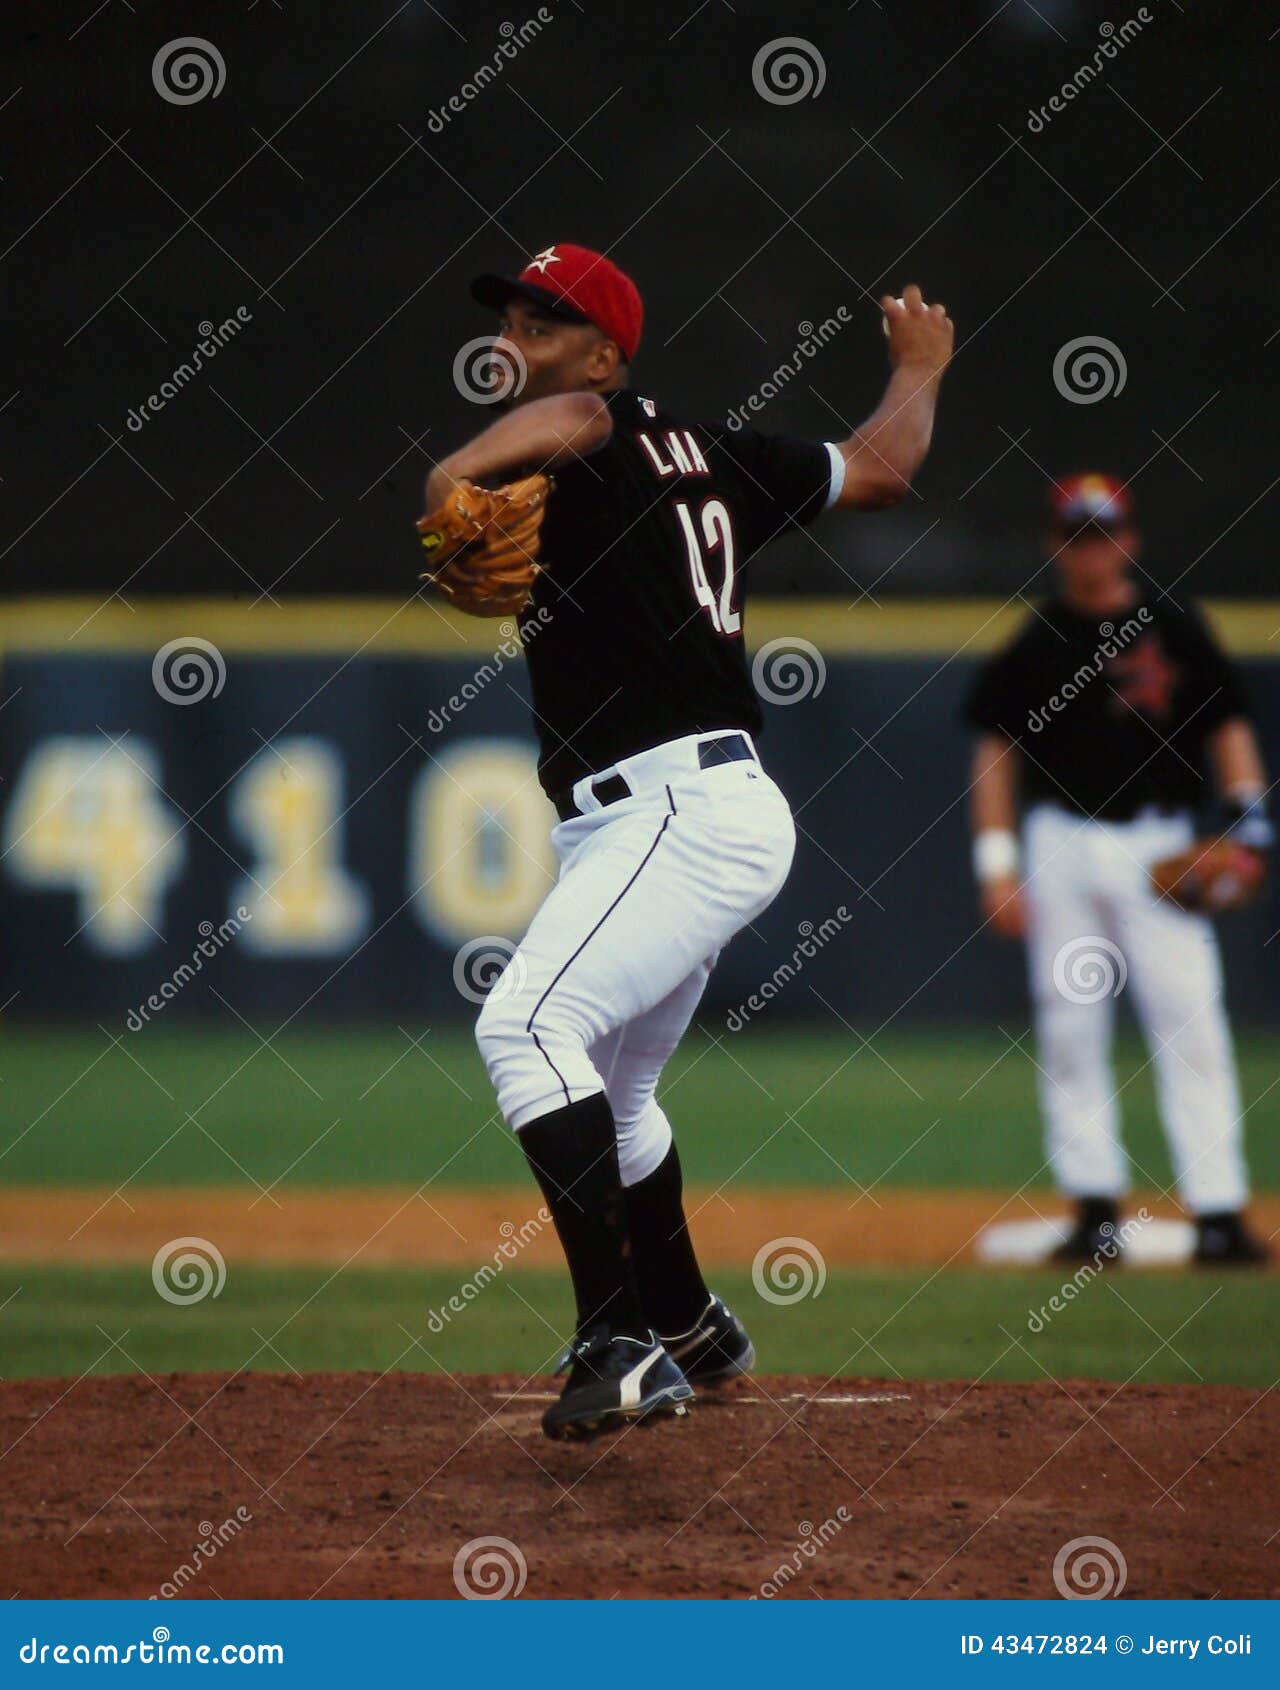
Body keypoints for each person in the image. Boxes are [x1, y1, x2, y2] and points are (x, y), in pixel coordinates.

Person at [423, 243, 953, 1438]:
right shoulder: (713, 452)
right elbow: (876, 470)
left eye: (544, 323)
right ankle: (685, 1322)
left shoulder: (589, 425)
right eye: (510, 316)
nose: (515, 338)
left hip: (672, 810)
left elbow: (564, 421)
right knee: (617, 1090)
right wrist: (918, 370)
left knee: (523, 1025)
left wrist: (447, 471)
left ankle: (613, 1343)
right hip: (672, 815)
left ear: (607, 356)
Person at [965, 473, 1272, 1266]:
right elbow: (993, 748)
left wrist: (1251, 831)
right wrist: (997, 862)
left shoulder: (1175, 626)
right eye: (1073, 534)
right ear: (1052, 543)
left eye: (1100, 534)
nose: (1087, 550)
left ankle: (1219, 1215)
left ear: (1128, 540)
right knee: (1071, 1026)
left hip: (1160, 850)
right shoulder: (1037, 640)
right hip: (1062, 845)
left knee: (1191, 1023)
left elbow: (1230, 727)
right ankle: (1095, 1211)